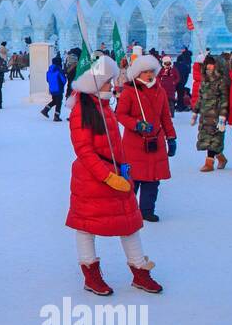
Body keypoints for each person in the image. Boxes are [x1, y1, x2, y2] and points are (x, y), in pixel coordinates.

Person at [65, 55, 161, 296]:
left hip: (116, 171)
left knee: (129, 222)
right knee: (87, 226)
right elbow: (84, 151)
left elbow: (116, 143)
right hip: (92, 178)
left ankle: (140, 270)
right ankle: (91, 274)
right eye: (109, 81)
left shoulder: (104, 106)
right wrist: (107, 176)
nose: (113, 85)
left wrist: (125, 169)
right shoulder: (82, 110)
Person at [114, 54, 176, 222]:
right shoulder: (129, 91)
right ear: (137, 74)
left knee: (152, 179)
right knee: (133, 179)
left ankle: (147, 210)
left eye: (151, 71)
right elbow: (120, 114)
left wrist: (171, 137)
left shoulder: (160, 91)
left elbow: (165, 117)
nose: (149, 75)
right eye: (145, 72)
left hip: (155, 141)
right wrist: (136, 124)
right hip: (135, 142)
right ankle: (129, 209)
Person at [192, 53, 229, 171]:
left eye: (211, 64)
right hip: (205, 115)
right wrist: (195, 112)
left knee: (214, 138)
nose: (209, 66)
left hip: (216, 115)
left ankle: (209, 162)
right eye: (207, 64)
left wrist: (223, 116)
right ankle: (221, 157)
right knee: (206, 138)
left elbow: (224, 99)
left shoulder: (221, 81)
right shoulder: (205, 81)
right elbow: (200, 97)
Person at [42, 54, 66, 121]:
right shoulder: (59, 70)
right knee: (58, 103)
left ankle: (45, 110)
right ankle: (56, 117)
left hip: (52, 89)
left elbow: (47, 79)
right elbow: (63, 80)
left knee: (55, 101)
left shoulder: (49, 70)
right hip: (59, 89)